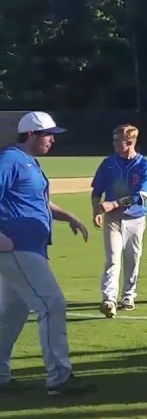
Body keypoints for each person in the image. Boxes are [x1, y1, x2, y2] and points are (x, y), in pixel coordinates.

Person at [0, 111, 95, 397]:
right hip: (16, 247)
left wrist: (68, 216)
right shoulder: (10, 159)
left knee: (11, 314)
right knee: (51, 304)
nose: (52, 140)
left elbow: (35, 200)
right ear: (31, 134)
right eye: (48, 134)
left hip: (27, 247)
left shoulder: (28, 162)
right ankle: (59, 378)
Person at [91, 124, 147, 317]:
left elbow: (140, 195)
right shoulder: (108, 163)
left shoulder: (144, 165)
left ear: (129, 142)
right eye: (114, 139)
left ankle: (128, 294)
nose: (114, 143)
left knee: (132, 258)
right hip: (113, 219)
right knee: (112, 258)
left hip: (135, 218)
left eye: (117, 140)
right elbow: (96, 191)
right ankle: (109, 299)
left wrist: (114, 203)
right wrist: (96, 211)